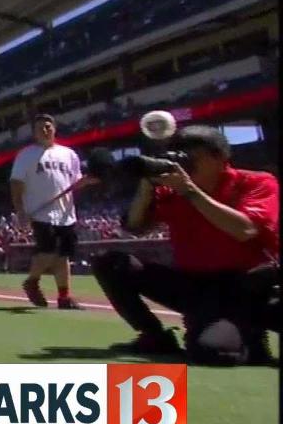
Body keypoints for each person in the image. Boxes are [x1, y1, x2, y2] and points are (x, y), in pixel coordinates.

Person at [92, 125, 279, 366]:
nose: (184, 166)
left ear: (220, 158)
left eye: (191, 158)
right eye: (179, 158)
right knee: (112, 263)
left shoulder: (256, 182)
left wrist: (190, 191)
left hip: (248, 285)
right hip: (195, 285)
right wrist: (146, 187)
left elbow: (245, 230)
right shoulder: (172, 192)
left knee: (217, 348)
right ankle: (155, 336)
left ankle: (248, 329)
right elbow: (134, 227)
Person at [9, 114, 92, 310]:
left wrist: (88, 181)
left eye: (48, 126)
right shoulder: (26, 155)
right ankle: (32, 280)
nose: (45, 130)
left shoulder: (69, 154)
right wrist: (20, 210)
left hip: (66, 213)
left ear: (54, 129)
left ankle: (64, 297)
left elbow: (75, 183)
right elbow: (16, 183)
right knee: (47, 250)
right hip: (40, 213)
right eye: (40, 128)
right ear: (34, 133)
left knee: (63, 255)